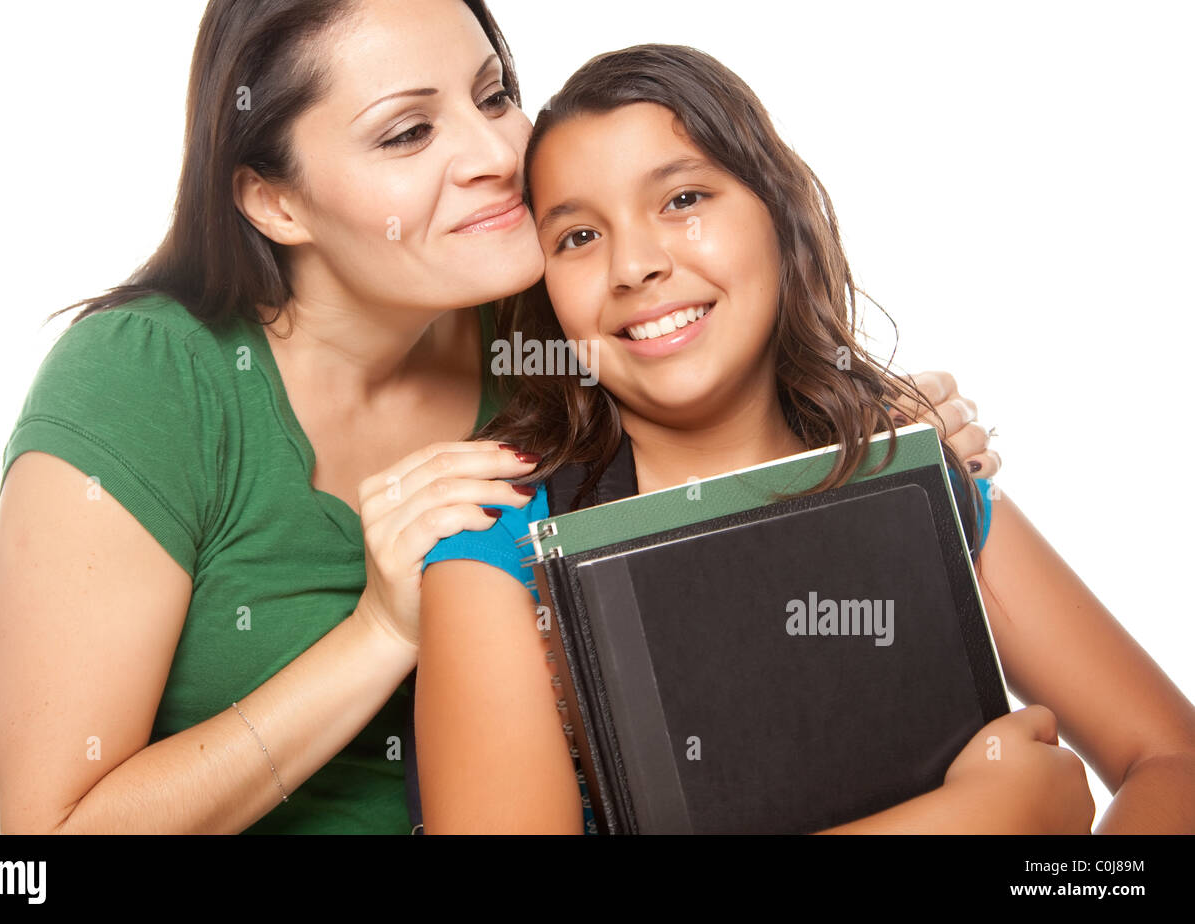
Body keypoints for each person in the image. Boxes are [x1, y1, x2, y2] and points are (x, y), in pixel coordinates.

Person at [0, 0, 997, 835]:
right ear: (273, 199)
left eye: (491, 95)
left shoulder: (545, 318)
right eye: (406, 133)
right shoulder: (147, 379)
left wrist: (877, 431)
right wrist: (379, 632)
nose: (494, 156)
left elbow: (737, 428)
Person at [416, 44, 1195, 835]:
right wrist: (975, 821)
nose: (637, 265)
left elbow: (1171, 760)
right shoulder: (495, 556)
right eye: (578, 237)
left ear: (778, 217)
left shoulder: (923, 483)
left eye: (683, 198)